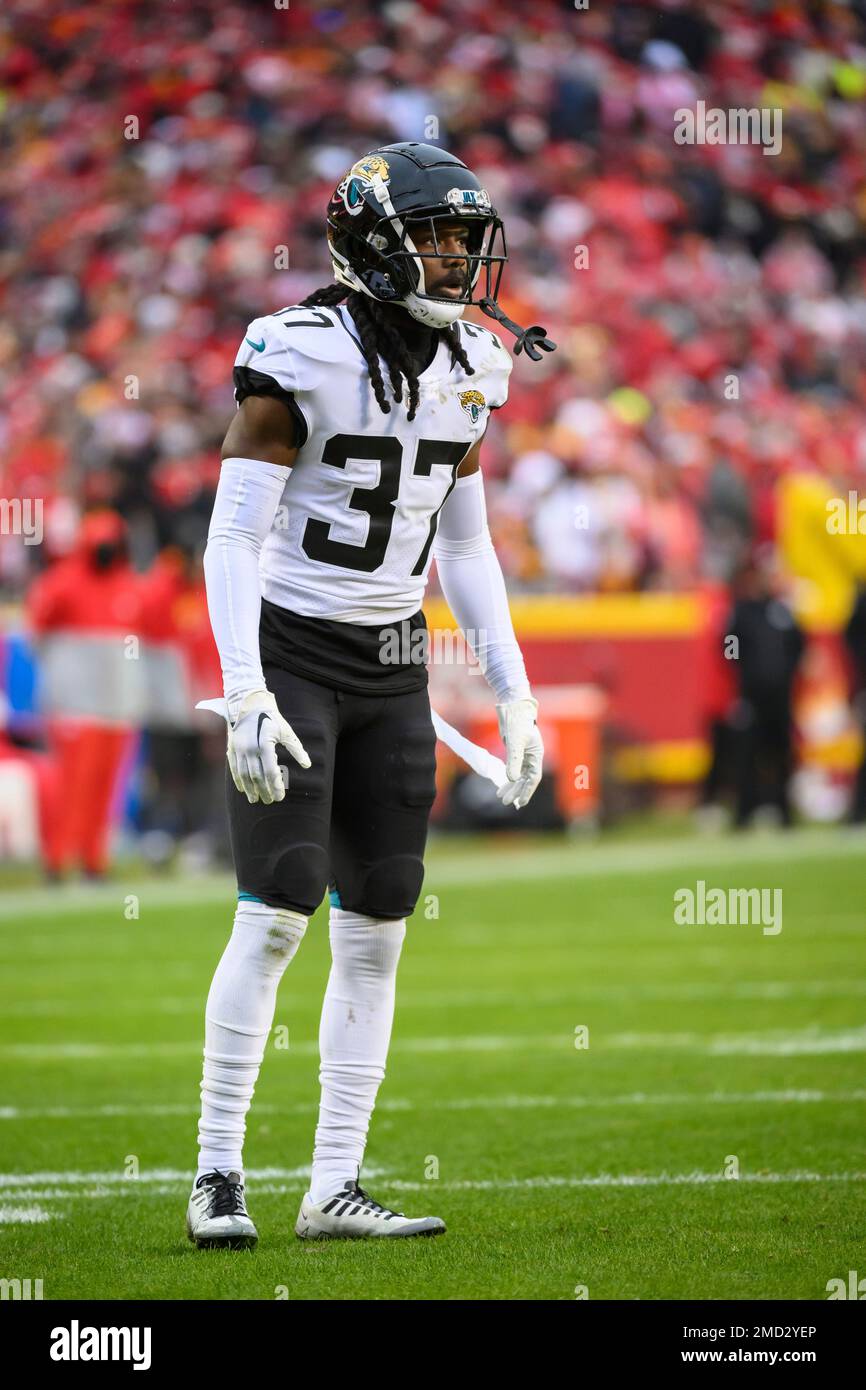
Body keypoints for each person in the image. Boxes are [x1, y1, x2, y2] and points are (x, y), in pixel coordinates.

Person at [187, 143, 554, 1247]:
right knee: (275, 911)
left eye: (464, 239)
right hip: (293, 649)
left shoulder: (473, 364)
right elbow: (233, 534)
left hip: (392, 664)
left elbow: (469, 548)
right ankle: (217, 1174)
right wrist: (244, 685)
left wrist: (514, 694)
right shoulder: (295, 350)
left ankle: (332, 1185)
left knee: (381, 919)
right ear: (374, 240)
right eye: (438, 236)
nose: (458, 261)